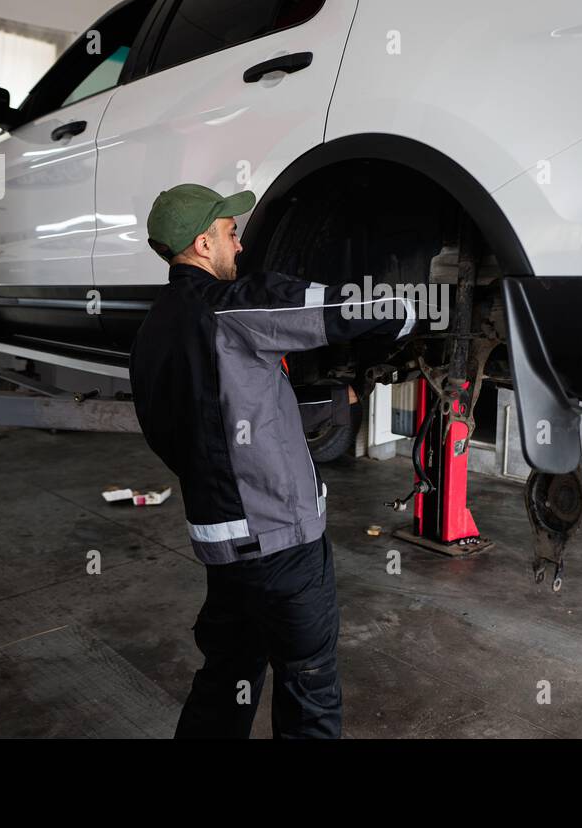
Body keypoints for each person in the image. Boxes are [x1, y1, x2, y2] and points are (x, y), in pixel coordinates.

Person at [129, 183, 417, 738]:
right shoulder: (230, 306)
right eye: (230, 234)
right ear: (201, 242)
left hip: (221, 542)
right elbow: (326, 308)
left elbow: (210, 417)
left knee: (227, 675)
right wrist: (407, 311)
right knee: (309, 685)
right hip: (281, 542)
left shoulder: (153, 329)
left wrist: (330, 402)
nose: (239, 247)